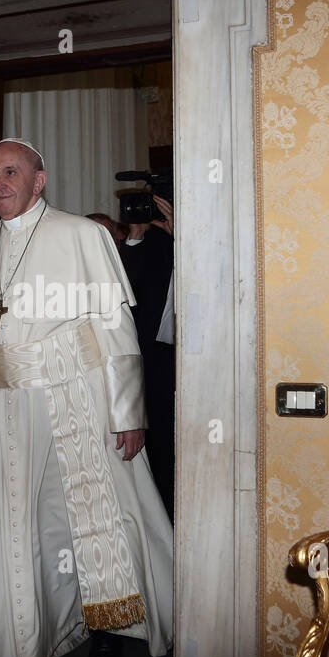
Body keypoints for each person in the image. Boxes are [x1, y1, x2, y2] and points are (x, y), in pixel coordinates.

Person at [0, 138, 174, 657]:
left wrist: (128, 412)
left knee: (93, 515)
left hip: (77, 397)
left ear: (40, 180)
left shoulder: (80, 235)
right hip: (4, 409)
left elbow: (115, 331)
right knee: (1, 533)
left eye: (11, 172)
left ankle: (109, 625)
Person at [117, 195, 176, 519]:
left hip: (175, 365)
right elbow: (120, 296)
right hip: (144, 366)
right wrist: (134, 238)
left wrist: (183, 238)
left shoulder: (169, 244)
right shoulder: (143, 245)